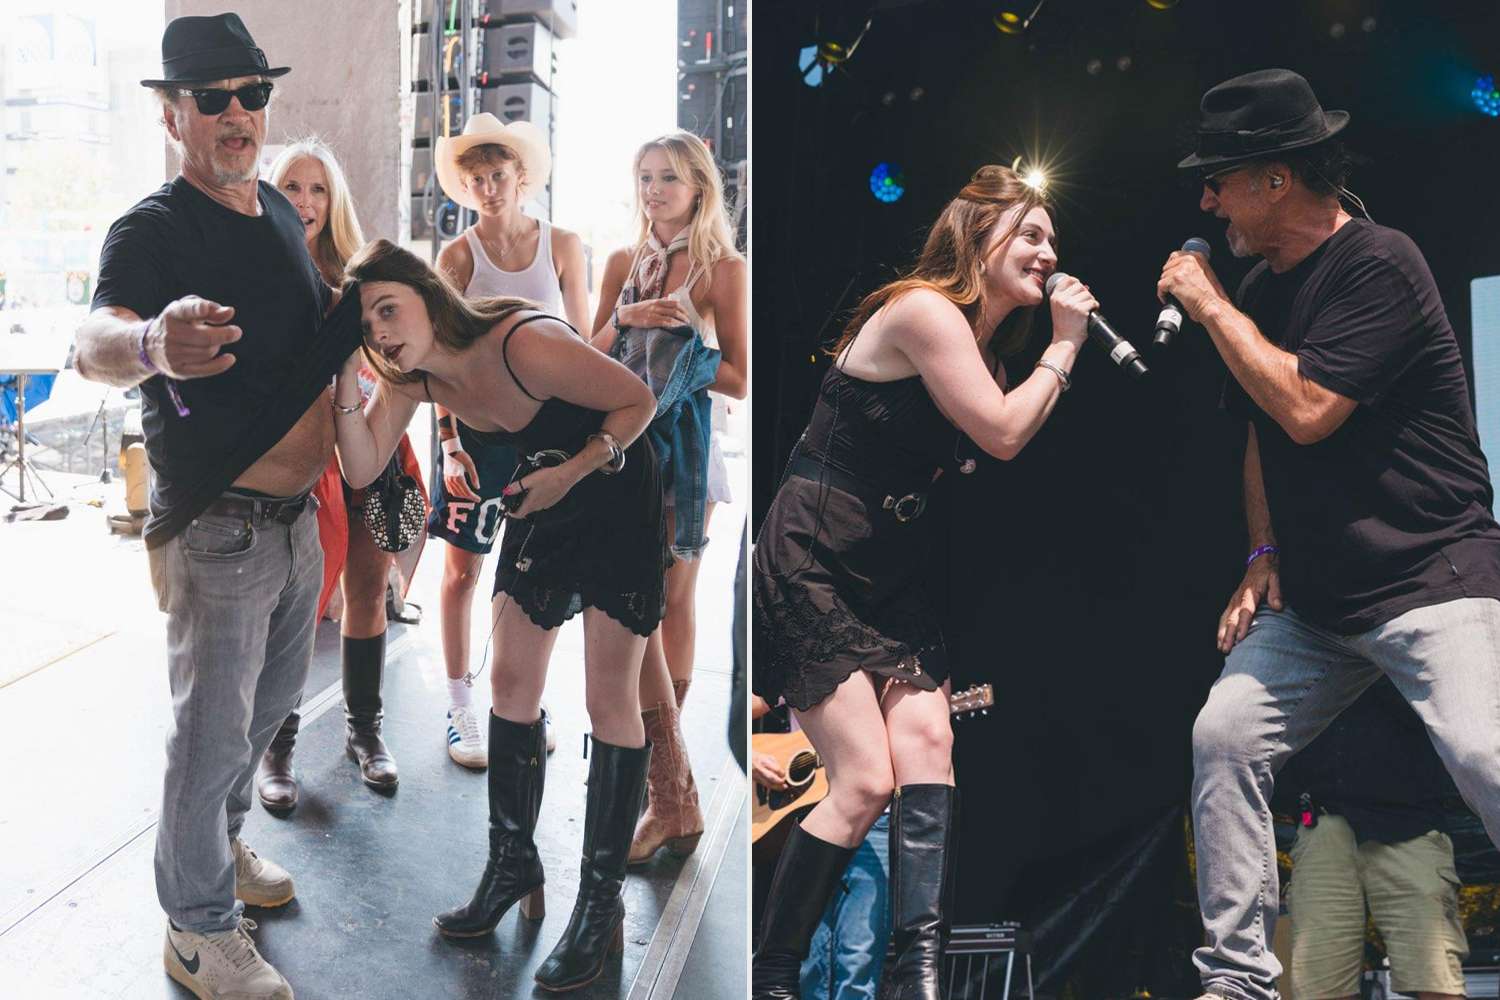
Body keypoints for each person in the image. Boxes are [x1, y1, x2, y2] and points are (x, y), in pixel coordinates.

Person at [1158, 68, 1500, 1000]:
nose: (1206, 200)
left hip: (1432, 574)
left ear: (1276, 179)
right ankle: (1235, 980)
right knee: (1223, 735)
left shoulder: (1379, 263)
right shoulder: (1260, 290)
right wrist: (1263, 554)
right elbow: (1264, 442)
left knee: (1485, 756)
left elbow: (1307, 407)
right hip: (1318, 603)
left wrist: (1210, 304)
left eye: (1219, 178)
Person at [751, 165, 1097, 1000]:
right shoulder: (924, 312)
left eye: (1053, 238)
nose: (1049, 252)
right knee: (866, 781)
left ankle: (921, 981)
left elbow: (992, 444)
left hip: (888, 574)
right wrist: (1066, 344)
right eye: (1032, 234)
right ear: (979, 237)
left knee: (934, 745)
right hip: (816, 554)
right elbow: (1007, 438)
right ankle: (773, 978)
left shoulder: (979, 352)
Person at [72, 14, 344, 1000]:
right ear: (172, 113)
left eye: (252, 93)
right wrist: (150, 342)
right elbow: (91, 339)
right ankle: (195, 929)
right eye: (214, 98)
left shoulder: (274, 207)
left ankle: (217, 853)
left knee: (264, 716)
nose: (238, 114)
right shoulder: (153, 228)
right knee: (209, 734)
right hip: (221, 526)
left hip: (299, 520)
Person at [333, 238, 664, 992]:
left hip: (612, 491)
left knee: (608, 697)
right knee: (510, 686)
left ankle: (599, 904)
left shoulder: (523, 342)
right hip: (541, 506)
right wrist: (342, 381)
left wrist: (577, 470)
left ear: (427, 293)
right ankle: (514, 863)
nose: (382, 331)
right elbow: (359, 464)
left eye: (389, 308)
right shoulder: (415, 378)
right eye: (367, 325)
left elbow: (637, 400)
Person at [254, 137, 428, 806]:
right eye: (293, 186)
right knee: (295, 607)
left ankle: (364, 733)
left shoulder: (363, 274)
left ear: (335, 200)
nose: (305, 200)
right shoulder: (264, 271)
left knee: (365, 589)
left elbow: (404, 351)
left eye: (318, 189)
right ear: (273, 192)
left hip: (371, 450)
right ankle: (278, 748)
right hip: (305, 458)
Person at [591, 130, 748, 866]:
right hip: (620, 452)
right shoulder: (625, 263)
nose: (655, 190)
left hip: (684, 453)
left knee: (664, 610)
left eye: (670, 179)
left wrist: (687, 346)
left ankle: (663, 775)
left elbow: (743, 378)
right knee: (637, 612)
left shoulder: (723, 269)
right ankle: (666, 781)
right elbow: (586, 353)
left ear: (699, 189)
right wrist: (629, 318)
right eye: (646, 176)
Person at [429, 112, 588, 767]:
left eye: (499, 175)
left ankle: (520, 700)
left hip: (544, 436)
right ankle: (459, 705)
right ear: (465, 188)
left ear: (522, 178)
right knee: (462, 571)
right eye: (477, 179)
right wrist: (447, 442)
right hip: (475, 430)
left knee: (529, 575)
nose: (490, 187)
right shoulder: (457, 255)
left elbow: (581, 344)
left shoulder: (565, 245)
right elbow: (434, 355)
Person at [1277, 678, 1466, 1000]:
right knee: (1321, 984)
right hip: (1321, 821)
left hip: (1409, 821)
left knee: (1435, 978)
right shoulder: (1297, 642)